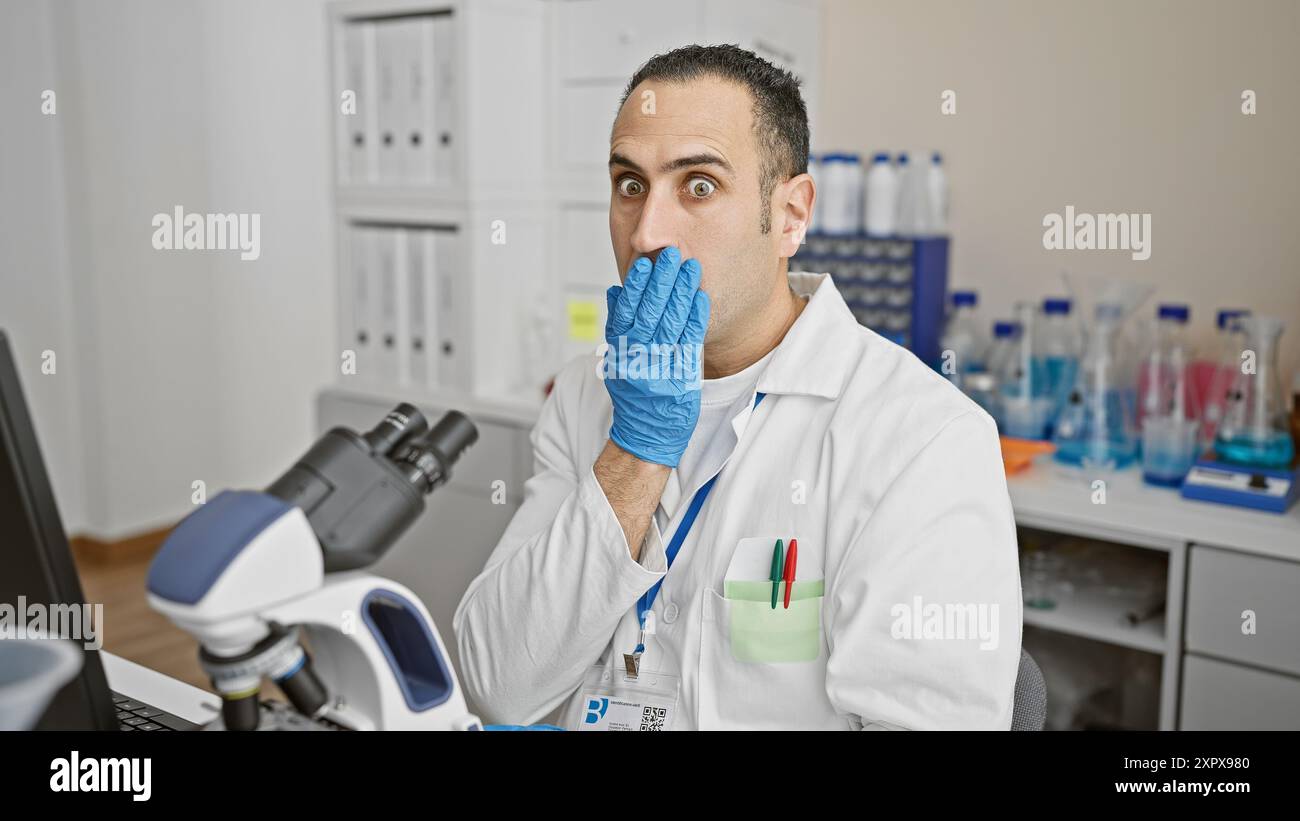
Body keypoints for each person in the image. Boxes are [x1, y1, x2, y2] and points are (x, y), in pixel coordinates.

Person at [454, 44, 1021, 730]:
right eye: (630, 184)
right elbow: (498, 683)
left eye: (697, 185)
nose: (648, 231)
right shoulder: (585, 396)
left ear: (790, 215)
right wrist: (634, 451)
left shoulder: (921, 438)